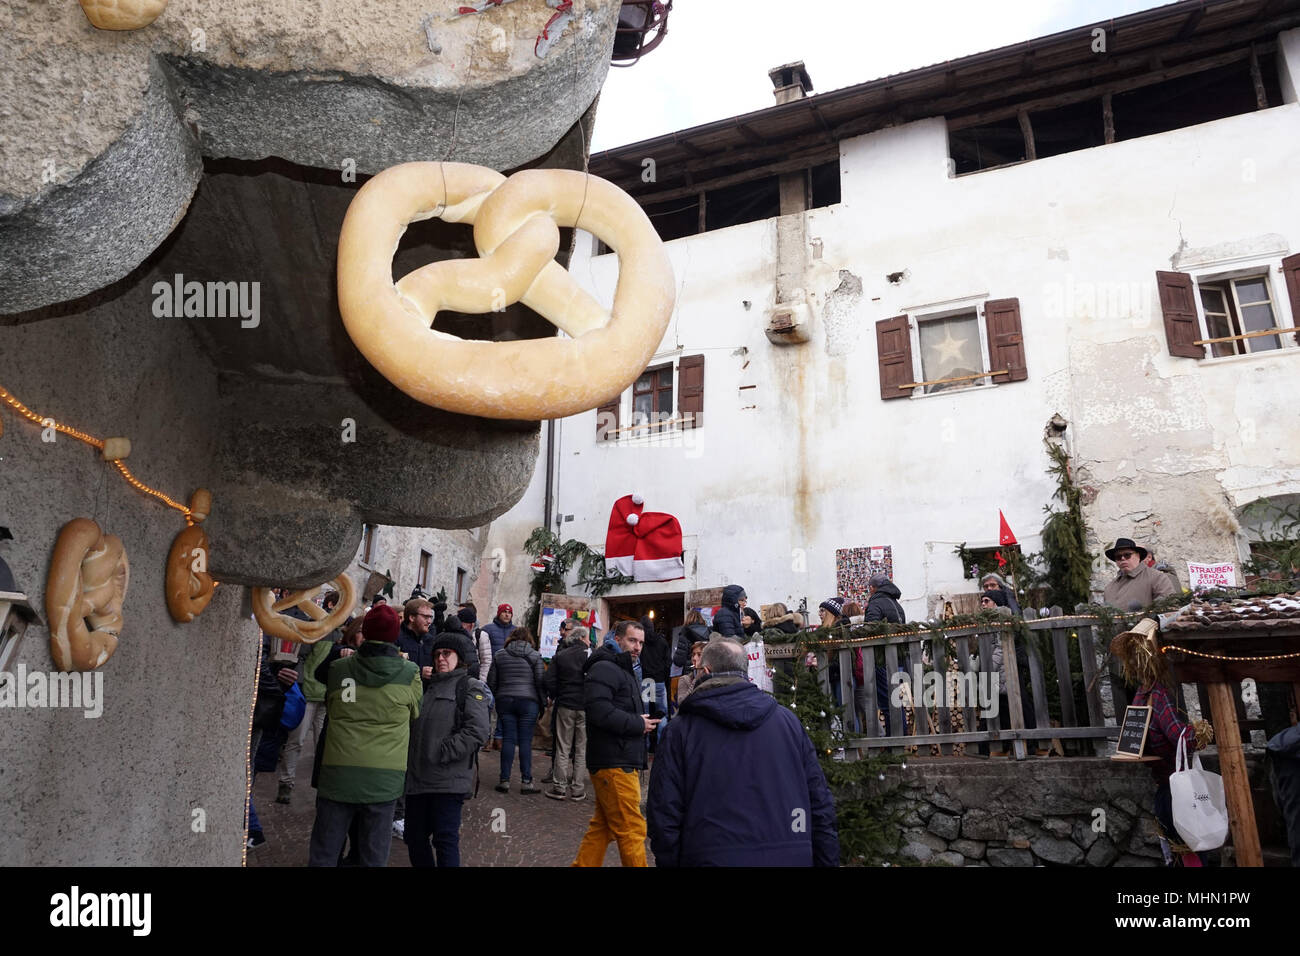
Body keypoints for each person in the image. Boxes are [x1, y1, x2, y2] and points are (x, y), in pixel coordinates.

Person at [647, 639, 838, 866]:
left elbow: (664, 815)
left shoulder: (680, 731)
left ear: (705, 671)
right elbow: (820, 806)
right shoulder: (788, 723)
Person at [307, 604, 422, 867]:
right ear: (396, 635)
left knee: (325, 852)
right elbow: (416, 711)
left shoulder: (339, 669)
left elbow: (330, 694)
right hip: (385, 776)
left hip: (338, 771)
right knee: (373, 854)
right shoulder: (410, 673)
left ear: (365, 632)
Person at [1111, 619, 1213, 866]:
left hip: (1164, 787)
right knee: (1192, 846)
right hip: (1178, 790)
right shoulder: (1157, 696)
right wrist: (1202, 733)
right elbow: (1181, 738)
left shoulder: (1140, 695)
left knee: (1179, 849)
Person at [572, 620, 659, 866]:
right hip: (614, 761)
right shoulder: (606, 667)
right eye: (632, 640)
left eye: (641, 642)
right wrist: (637, 724)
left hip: (618, 758)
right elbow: (599, 711)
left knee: (603, 827)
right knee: (632, 829)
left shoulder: (622, 668)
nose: (637, 647)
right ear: (618, 638)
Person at [403, 630, 490, 866]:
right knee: (413, 838)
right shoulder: (427, 688)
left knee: (445, 840)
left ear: (459, 657)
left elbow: (478, 730)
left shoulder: (470, 687)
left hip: (448, 781)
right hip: (418, 779)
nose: (441, 658)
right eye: (437, 654)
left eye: (447, 653)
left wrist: (442, 751)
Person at [274, 597, 340, 805]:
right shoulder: (315, 627)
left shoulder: (340, 632)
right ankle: (286, 783)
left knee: (323, 744)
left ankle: (323, 786)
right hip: (309, 693)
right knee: (296, 740)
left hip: (325, 696)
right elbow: (300, 657)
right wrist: (301, 683)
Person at [488, 625, 545, 794]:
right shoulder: (535, 656)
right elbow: (540, 682)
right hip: (529, 702)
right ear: (529, 639)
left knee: (508, 739)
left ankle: (504, 780)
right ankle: (526, 782)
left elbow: (491, 682)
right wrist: (542, 704)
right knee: (526, 741)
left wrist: (499, 696)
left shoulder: (499, 655)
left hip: (505, 700)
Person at [543, 623, 591, 800]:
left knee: (563, 747)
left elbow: (549, 680)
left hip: (565, 704)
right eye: (587, 638)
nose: (589, 642)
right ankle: (577, 788)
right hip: (585, 706)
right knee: (581, 748)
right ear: (581, 638)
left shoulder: (561, 656)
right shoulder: (590, 656)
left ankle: (559, 787)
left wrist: (556, 694)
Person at [864, 572, 906, 735]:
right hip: (898, 658)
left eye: (870, 588)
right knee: (896, 700)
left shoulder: (876, 603)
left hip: (882, 658)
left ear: (874, 588)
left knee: (887, 702)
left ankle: (894, 743)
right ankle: (901, 738)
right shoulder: (896, 603)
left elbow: (871, 629)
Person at [1103, 537, 1177, 610]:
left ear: (1138, 556)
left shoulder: (1157, 577)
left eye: (1127, 555)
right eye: (1118, 557)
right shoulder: (1109, 587)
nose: (1123, 559)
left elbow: (1167, 608)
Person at [639, 614, 671, 746]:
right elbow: (668, 662)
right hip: (658, 681)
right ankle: (661, 746)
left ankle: (644, 748)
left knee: (645, 715)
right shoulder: (662, 641)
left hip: (646, 681)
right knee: (661, 714)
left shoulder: (640, 641)